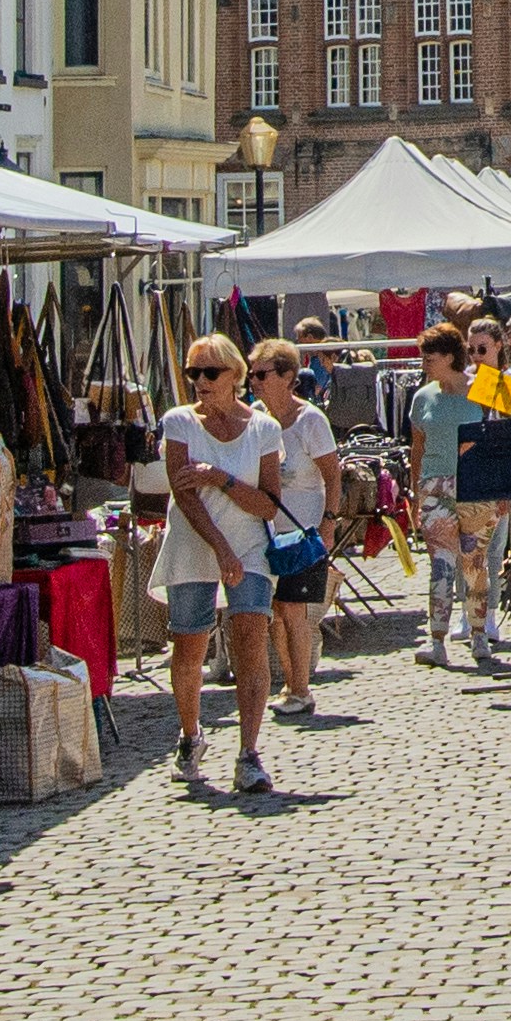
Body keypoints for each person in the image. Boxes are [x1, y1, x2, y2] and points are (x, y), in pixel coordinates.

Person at [152, 334, 284, 793]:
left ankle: (249, 751)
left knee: (250, 637)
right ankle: (190, 735)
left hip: (248, 544)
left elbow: (268, 505)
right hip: (194, 541)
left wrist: (221, 478)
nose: (201, 382)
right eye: (193, 373)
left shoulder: (264, 429)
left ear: (235, 375)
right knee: (189, 646)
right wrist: (219, 546)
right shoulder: (179, 423)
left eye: (211, 372)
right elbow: (183, 494)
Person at [246, 340, 340, 714]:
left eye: (261, 374)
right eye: (251, 373)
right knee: (275, 611)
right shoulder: (254, 418)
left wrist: (329, 523)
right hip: (264, 529)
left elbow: (333, 477)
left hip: (302, 530)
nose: (253, 381)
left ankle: (301, 688)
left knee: (293, 608)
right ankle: (290, 682)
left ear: (288, 377)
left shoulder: (310, 421)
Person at [408, 325, 501, 665]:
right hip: (436, 487)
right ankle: (437, 639)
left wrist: (504, 488)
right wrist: (416, 490)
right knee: (441, 566)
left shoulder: (487, 387)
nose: (423, 364)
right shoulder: (422, 396)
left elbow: (509, 436)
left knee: (475, 563)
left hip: (477, 484)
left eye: (429, 358)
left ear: (449, 357)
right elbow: (417, 446)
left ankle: (480, 634)